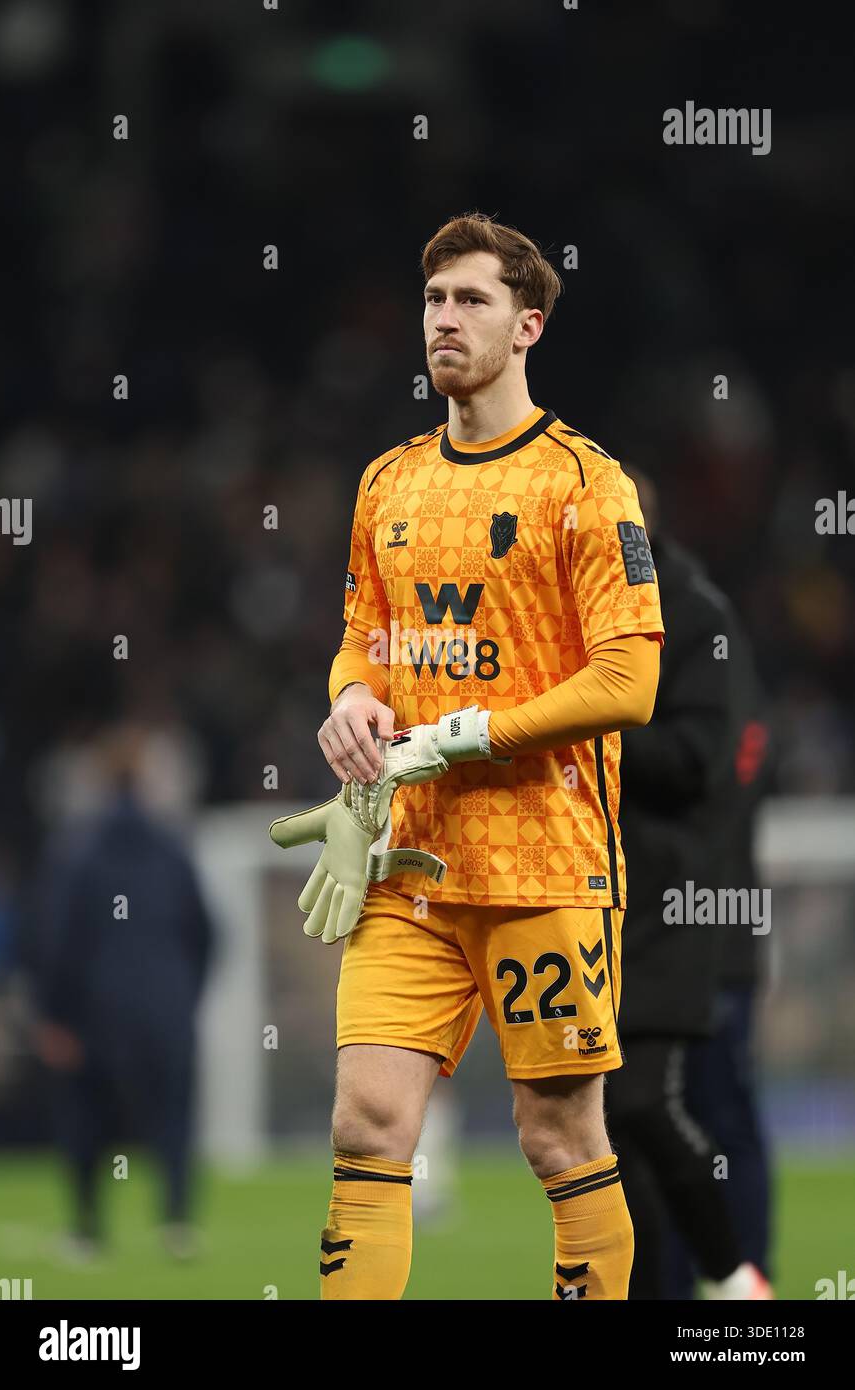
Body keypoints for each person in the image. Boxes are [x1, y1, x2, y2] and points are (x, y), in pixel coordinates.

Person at [272, 212, 665, 1300]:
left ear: (527, 324)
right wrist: (351, 696)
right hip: (410, 868)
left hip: (543, 860)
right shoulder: (385, 483)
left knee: (556, 1137)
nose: (444, 320)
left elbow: (627, 681)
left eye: (472, 300)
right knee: (366, 1119)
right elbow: (366, 633)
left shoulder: (585, 486)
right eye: (435, 300)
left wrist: (469, 731)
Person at [605, 470, 772, 1299]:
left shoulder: (697, 616)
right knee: (602, 1123)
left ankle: (739, 1279)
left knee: (663, 1107)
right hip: (597, 903)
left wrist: (584, 732)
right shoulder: (583, 616)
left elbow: (711, 764)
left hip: (678, 908)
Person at [31, 723, 215, 1259]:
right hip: (166, 1007)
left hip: (94, 1012)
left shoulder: (74, 851)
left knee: (87, 1115)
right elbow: (205, 932)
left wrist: (52, 1015)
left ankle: (87, 1230)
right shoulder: (173, 849)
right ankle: (177, 1224)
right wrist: (185, 996)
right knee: (174, 1115)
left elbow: (53, 937)